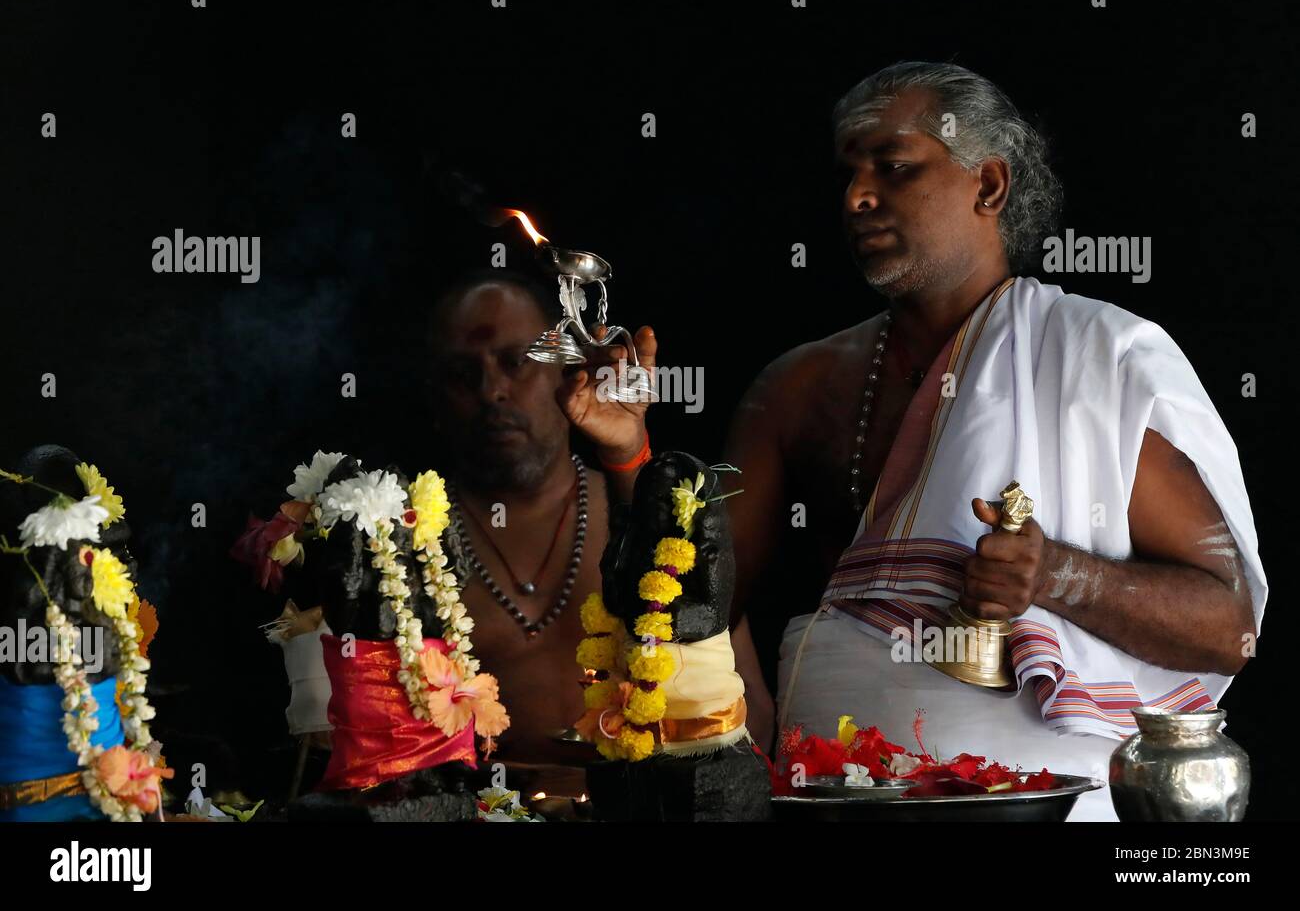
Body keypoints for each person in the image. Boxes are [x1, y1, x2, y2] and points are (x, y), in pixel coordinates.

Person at [724, 62, 1267, 820]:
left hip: (1048, 806)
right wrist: (628, 457)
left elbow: (1229, 627)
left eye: (895, 166)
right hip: (829, 794)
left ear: (989, 188)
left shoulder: (1096, 360)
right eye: (848, 173)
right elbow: (697, 602)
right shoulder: (796, 384)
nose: (857, 197)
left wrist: (1056, 576)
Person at [426, 269, 773, 791]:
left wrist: (624, 451)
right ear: (434, 394)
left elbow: (751, 716)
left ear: (569, 371)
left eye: (517, 362)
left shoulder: (661, 515)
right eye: (462, 371)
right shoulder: (405, 538)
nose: (492, 390)